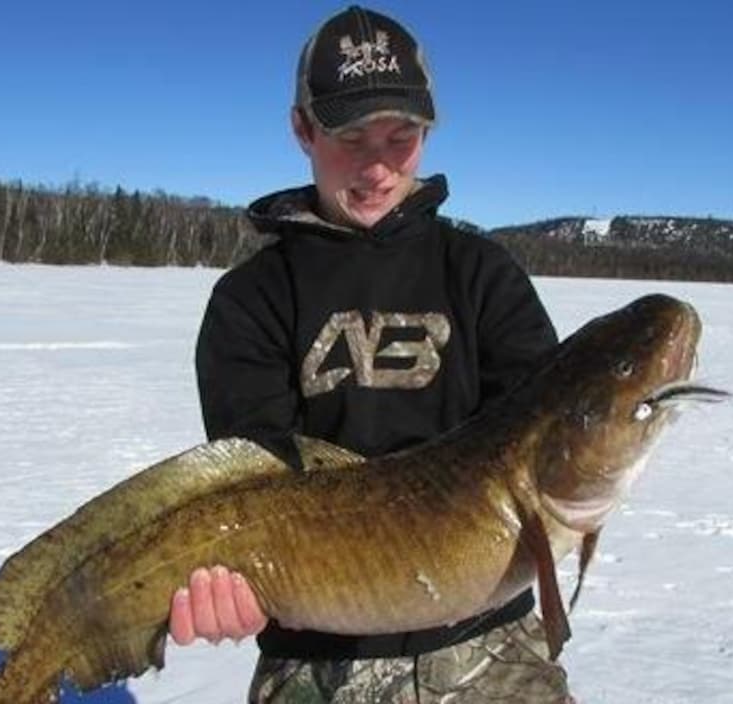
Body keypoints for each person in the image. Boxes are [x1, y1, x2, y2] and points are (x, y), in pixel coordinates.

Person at [177, 6, 570, 702]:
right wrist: (231, 581)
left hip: (491, 641)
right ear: (303, 129)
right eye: (351, 136)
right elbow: (255, 478)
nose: (378, 166)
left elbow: (546, 433)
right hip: (318, 653)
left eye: (402, 137)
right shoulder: (253, 298)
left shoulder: (482, 274)